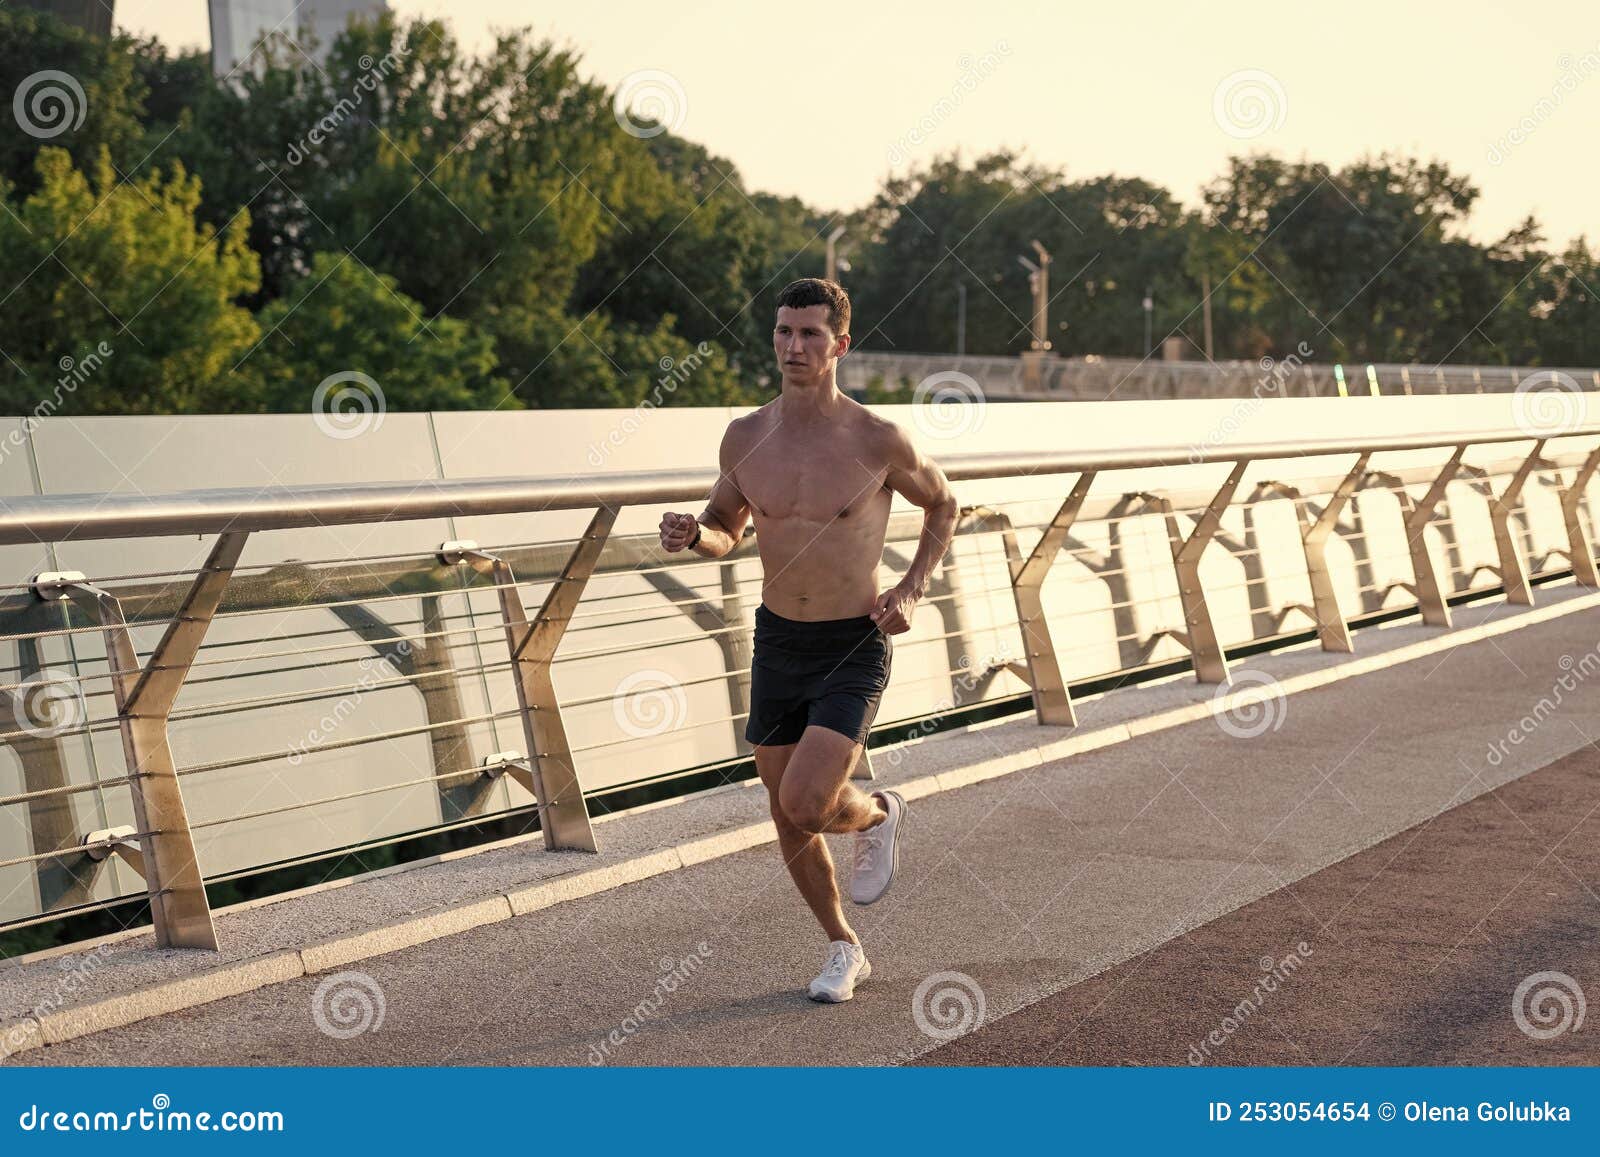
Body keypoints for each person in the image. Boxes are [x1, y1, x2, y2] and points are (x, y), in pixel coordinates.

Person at [659, 277, 958, 1002]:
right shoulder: (745, 435)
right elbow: (727, 526)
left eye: (811, 334)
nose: (794, 346)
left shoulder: (877, 439)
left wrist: (912, 589)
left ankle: (879, 813)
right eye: (784, 332)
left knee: (807, 800)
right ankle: (841, 946)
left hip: (852, 642)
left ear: (840, 346)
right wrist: (693, 534)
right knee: (785, 809)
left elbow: (944, 505)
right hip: (777, 642)